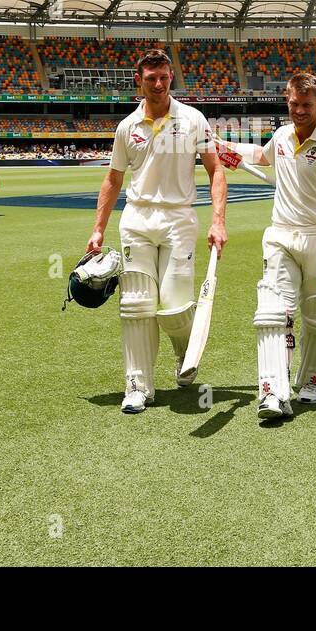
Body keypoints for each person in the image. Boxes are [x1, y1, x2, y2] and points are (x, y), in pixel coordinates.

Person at [217, 72, 316, 421]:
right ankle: (272, 391)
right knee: (274, 313)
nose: (299, 110)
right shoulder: (283, 135)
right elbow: (263, 155)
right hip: (281, 234)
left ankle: (311, 382)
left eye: (307, 105)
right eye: (294, 103)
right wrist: (230, 149)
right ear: (287, 99)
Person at [87, 49, 227, 414]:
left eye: (164, 77)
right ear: (140, 80)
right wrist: (97, 230)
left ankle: (185, 350)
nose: (159, 84)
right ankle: (137, 386)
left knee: (174, 305)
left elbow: (216, 170)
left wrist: (218, 220)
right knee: (136, 305)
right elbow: (113, 178)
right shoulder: (127, 127)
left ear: (171, 77)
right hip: (137, 219)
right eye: (151, 78)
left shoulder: (194, 119)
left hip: (179, 220)